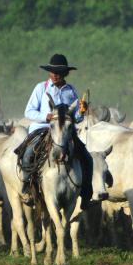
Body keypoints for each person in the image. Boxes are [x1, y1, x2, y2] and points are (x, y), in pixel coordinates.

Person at [17, 54, 88, 205]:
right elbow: (29, 112)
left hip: (65, 132)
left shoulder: (71, 91)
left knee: (86, 156)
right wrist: (46, 117)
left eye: (59, 72)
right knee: (28, 153)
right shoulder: (41, 88)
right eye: (52, 72)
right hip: (42, 128)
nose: (55, 75)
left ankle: (86, 192)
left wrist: (82, 112)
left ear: (65, 73)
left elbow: (76, 118)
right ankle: (26, 188)